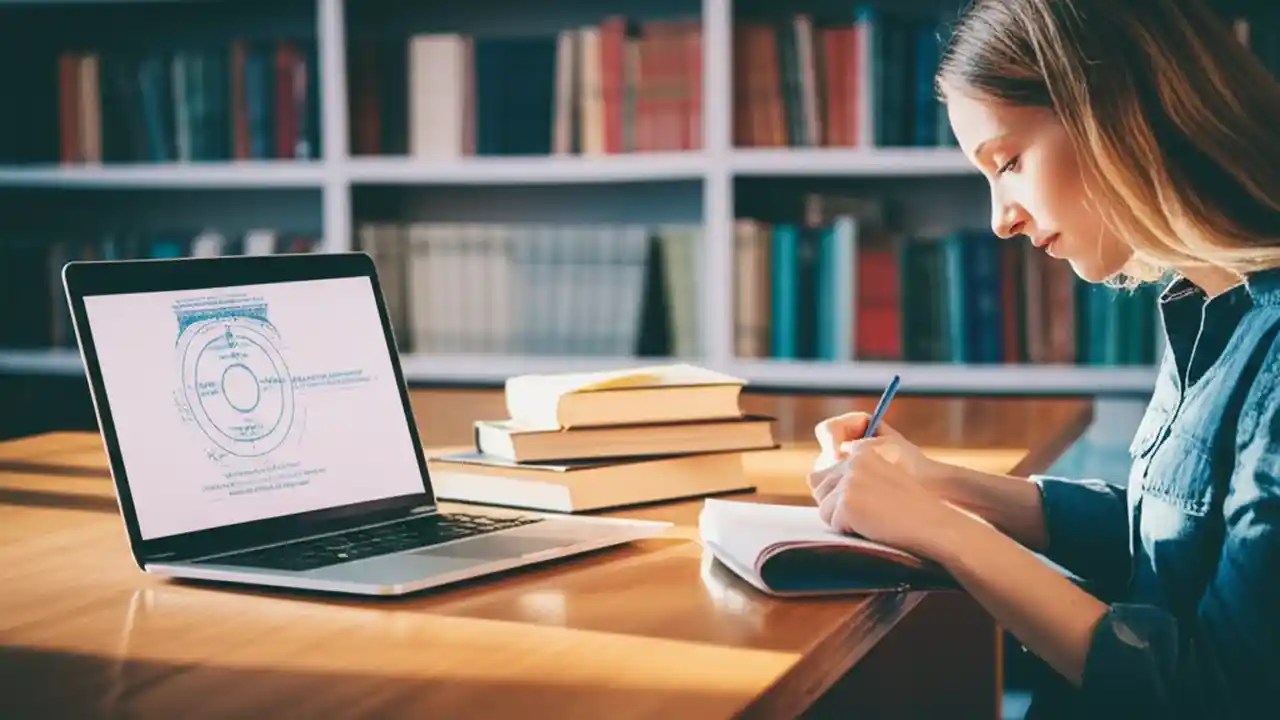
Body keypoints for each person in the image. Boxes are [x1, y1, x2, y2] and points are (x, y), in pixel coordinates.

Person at [806, 0, 1280, 717]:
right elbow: (1167, 542)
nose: (1001, 219)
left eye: (1010, 162)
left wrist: (944, 532)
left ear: (1116, 110)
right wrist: (939, 485)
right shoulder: (1205, 301)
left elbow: (1211, 692)